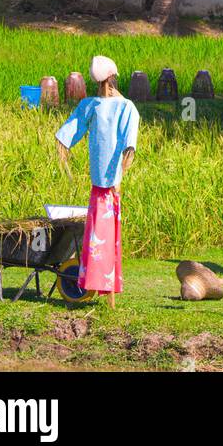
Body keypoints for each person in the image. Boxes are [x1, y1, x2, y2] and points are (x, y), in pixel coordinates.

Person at [55, 55, 139, 305]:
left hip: (110, 186)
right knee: (96, 237)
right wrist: (63, 150)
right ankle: (94, 283)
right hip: (98, 185)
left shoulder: (125, 107)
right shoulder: (91, 105)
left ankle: (105, 287)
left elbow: (128, 144)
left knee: (104, 236)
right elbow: (70, 130)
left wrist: (120, 172)